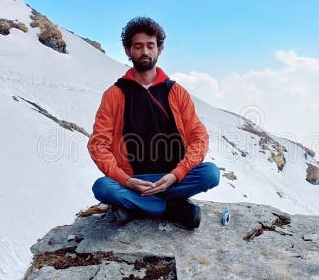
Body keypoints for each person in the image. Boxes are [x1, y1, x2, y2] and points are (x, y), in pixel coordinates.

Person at [88, 16, 220, 229]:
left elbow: (199, 137)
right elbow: (98, 144)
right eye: (138, 46)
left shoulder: (176, 92)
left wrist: (176, 175)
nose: (145, 51)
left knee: (210, 174)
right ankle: (171, 209)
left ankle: (135, 205)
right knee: (102, 187)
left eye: (150, 46)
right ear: (128, 51)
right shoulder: (115, 94)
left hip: (171, 179)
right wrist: (126, 181)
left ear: (160, 49)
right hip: (134, 180)